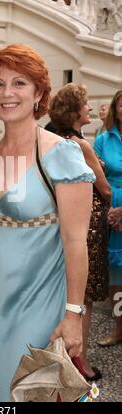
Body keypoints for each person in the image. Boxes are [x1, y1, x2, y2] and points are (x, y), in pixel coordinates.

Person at [0, 44, 94, 402]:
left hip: (40, 298)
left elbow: (75, 242)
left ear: (39, 93)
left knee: (28, 391)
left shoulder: (61, 154)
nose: (7, 93)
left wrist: (72, 314)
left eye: (19, 83)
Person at [49, 83, 112, 381]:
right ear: (75, 111)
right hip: (87, 228)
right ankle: (80, 364)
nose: (89, 108)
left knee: (65, 294)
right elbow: (105, 188)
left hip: (63, 224)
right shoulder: (80, 145)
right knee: (83, 298)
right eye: (85, 104)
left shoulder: (50, 138)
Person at [94, 90, 122, 347]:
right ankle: (118, 327)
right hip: (111, 208)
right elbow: (94, 174)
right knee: (116, 279)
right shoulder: (103, 139)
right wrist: (111, 212)